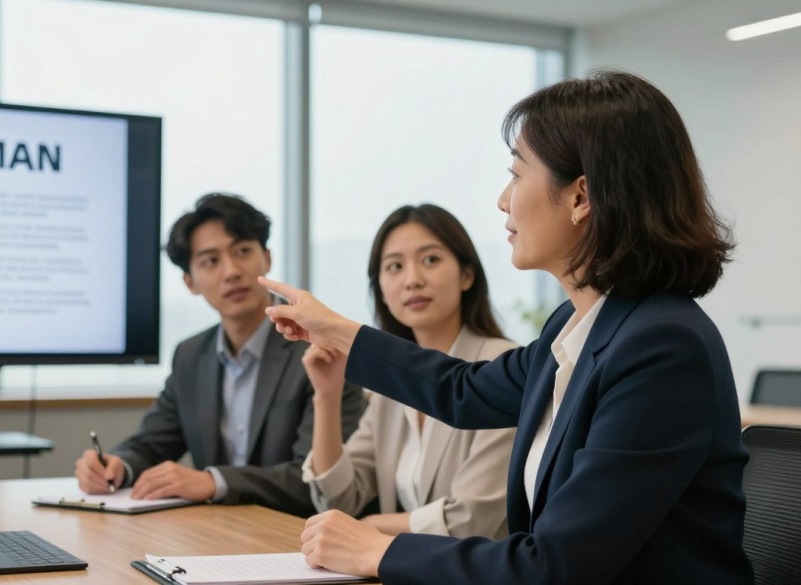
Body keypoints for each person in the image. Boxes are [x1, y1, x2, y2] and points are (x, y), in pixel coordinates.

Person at [261, 70, 753, 584]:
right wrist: (335, 329)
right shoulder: (577, 323)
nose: (502, 199)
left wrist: (381, 553)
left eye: (517, 174)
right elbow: (462, 390)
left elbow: (555, 566)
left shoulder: (662, 346)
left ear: (581, 196)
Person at [75, 193, 366, 517]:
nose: (231, 271)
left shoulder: (321, 351)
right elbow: (152, 443)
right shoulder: (190, 355)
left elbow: (316, 481)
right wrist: (117, 466)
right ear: (190, 282)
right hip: (220, 534)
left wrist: (215, 482)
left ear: (266, 259)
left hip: (299, 535)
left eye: (242, 251)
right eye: (210, 261)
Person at [302, 204, 515, 540]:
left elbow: (470, 520)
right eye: (394, 267)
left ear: (466, 275)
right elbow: (337, 498)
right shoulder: (391, 382)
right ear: (382, 292)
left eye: (430, 260)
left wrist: (371, 525)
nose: (413, 280)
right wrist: (327, 395)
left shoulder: (501, 367)